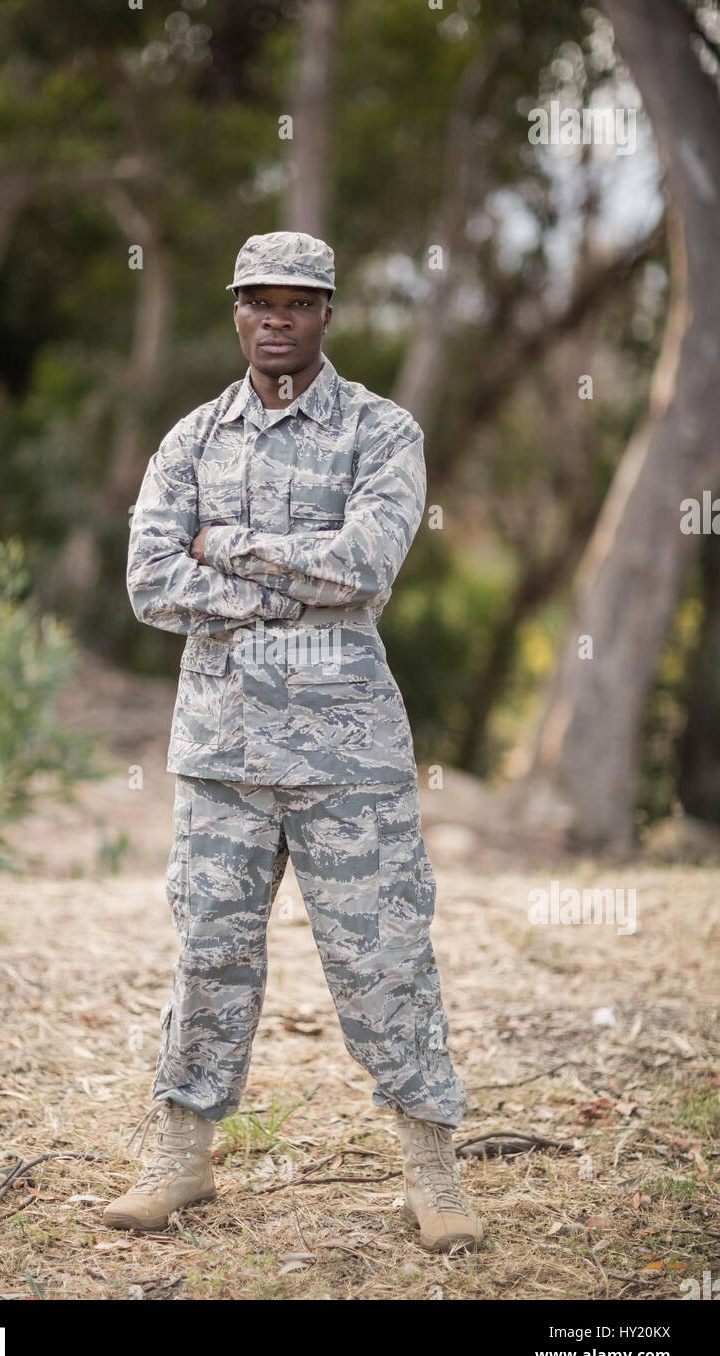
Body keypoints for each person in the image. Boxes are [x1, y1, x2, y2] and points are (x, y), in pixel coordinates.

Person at [104, 231, 483, 1252]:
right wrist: (286, 585)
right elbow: (147, 580)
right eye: (257, 301)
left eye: (297, 301)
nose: (276, 318)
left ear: (326, 314)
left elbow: (363, 566)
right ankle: (180, 1165)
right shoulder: (190, 439)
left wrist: (223, 549)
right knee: (208, 957)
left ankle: (431, 1174)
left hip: (343, 754)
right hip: (222, 753)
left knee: (383, 956)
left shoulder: (380, 430)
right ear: (236, 314)